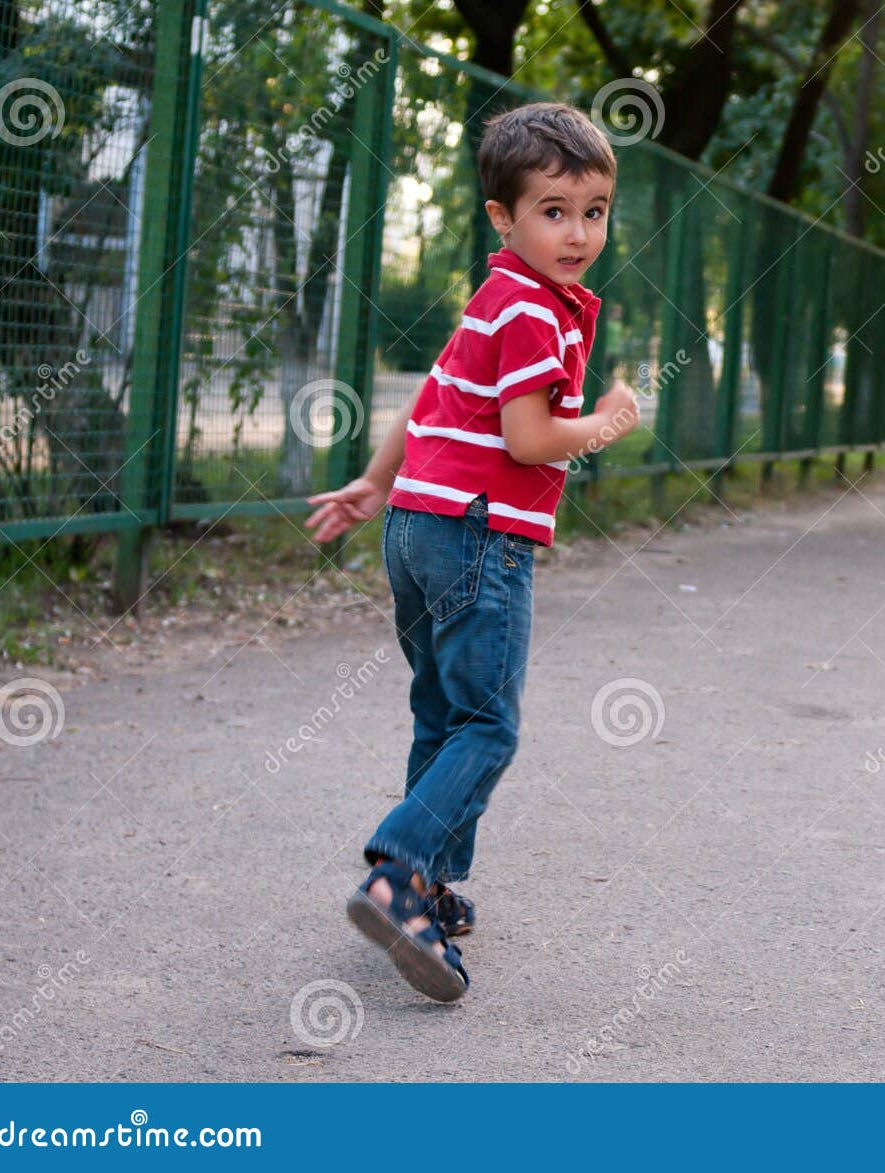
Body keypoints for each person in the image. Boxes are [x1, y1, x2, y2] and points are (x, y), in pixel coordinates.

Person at [304, 101, 639, 1001]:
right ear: (503, 215)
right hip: (480, 536)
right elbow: (530, 439)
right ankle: (400, 874)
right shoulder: (534, 313)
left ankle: (432, 888)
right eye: (553, 211)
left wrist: (375, 484)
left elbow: (432, 400)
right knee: (488, 724)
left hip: (415, 526)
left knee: (443, 714)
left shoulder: (497, 298)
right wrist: (604, 424)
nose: (577, 232)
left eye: (595, 210)